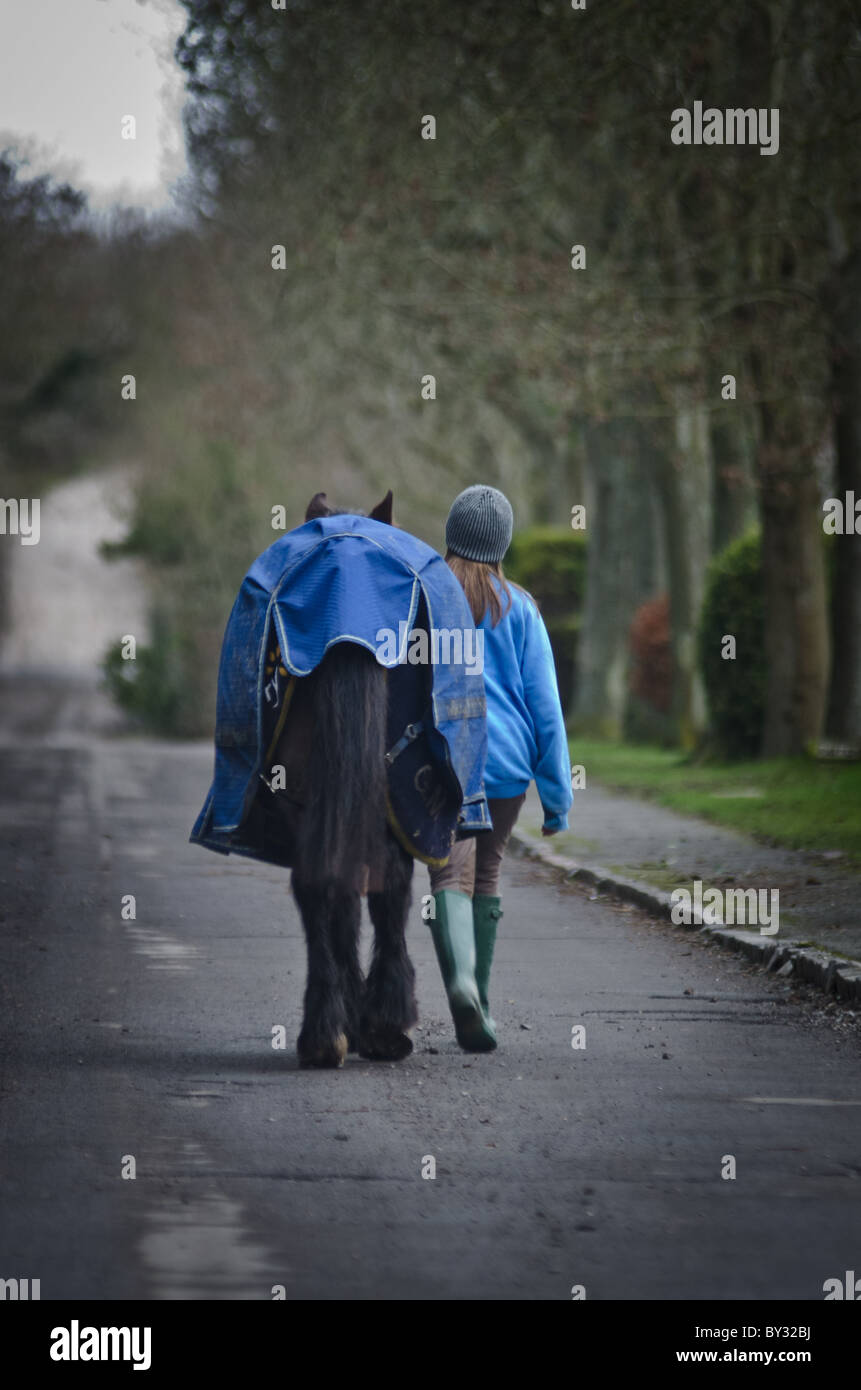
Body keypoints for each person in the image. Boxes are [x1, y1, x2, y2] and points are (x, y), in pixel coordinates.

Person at [427, 484, 573, 1052]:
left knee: (448, 875)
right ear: (502, 544)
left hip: (443, 760)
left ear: (451, 535)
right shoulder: (521, 608)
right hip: (508, 765)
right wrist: (557, 799)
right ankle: (480, 1005)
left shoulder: (425, 599)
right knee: (487, 874)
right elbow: (546, 708)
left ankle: (460, 984)